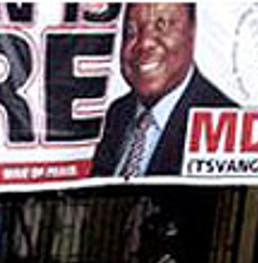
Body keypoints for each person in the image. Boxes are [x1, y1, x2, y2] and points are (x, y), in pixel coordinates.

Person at [91, 3, 234, 179]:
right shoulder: (118, 113)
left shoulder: (224, 120)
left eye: (162, 25)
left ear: (192, 31)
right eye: (131, 31)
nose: (144, 43)